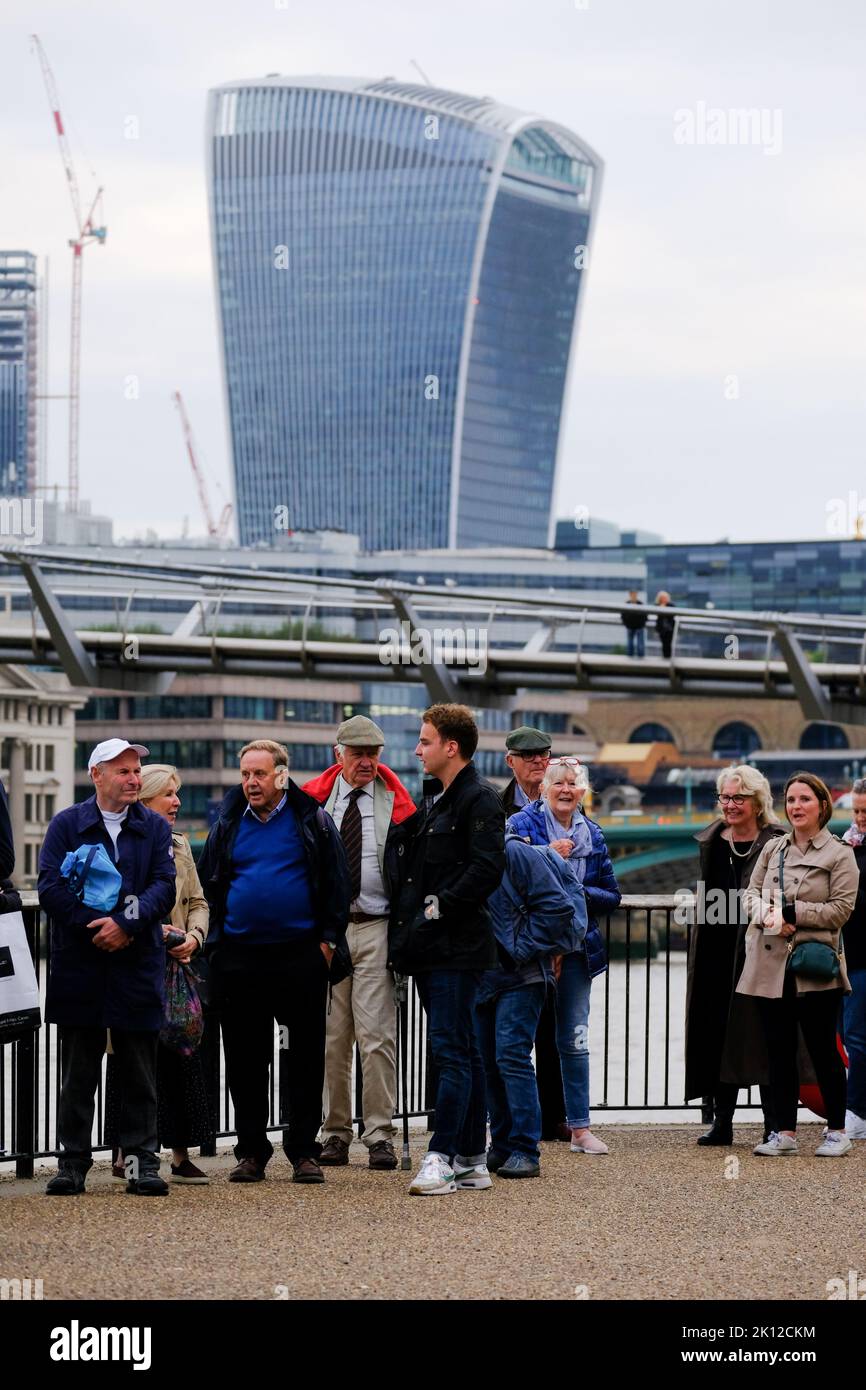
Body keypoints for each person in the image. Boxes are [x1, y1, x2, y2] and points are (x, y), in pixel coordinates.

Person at [198, 740, 350, 1184]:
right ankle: (251, 1152)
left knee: (304, 1058)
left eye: (259, 774)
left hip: (300, 957)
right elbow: (211, 884)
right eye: (245, 774)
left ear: (281, 776)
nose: (250, 783)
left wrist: (324, 945)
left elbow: (338, 887)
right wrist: (218, 947)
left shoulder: (313, 820)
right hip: (240, 959)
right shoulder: (228, 823)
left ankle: (304, 1151)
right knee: (245, 1059)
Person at [38, 738, 177, 1196]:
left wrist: (124, 924)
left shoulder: (154, 828)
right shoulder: (67, 825)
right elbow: (50, 887)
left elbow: (163, 887)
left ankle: (142, 1168)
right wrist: (94, 926)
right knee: (79, 1071)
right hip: (81, 962)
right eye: (124, 771)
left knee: (139, 1071)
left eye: (137, 770)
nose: (135, 778)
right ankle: (72, 1165)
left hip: (135, 962)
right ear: (97, 775)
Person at [388, 703, 505, 1196]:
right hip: (434, 947)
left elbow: (486, 869)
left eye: (425, 741)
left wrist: (436, 911)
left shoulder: (479, 800)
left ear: (450, 747)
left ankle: (441, 1157)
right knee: (468, 1053)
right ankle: (473, 1157)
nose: (417, 749)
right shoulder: (439, 799)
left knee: (451, 1054)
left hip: (456, 948)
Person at [303, 715, 415, 1171]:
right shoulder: (313, 801)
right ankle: (333, 1132)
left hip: (378, 926)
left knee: (377, 1038)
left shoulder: (398, 802)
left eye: (373, 754)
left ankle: (379, 1134)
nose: (367, 761)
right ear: (339, 754)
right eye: (358, 754)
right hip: (329, 932)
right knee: (332, 1039)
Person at [739, 771, 858, 1157]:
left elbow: (841, 910)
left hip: (813, 965)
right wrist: (770, 916)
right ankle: (784, 1132)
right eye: (790, 800)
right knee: (779, 1049)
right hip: (769, 964)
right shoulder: (773, 849)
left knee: (823, 1049)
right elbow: (750, 895)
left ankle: (837, 1130)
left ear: (822, 805)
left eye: (804, 799)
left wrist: (795, 911)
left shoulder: (839, 854)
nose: (796, 807)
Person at [508, 758, 619, 1154]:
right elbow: (506, 879)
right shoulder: (521, 826)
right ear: (544, 789)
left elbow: (612, 894)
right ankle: (507, 1128)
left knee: (574, 1039)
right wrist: (547, 857)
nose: (566, 790)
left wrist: (575, 895)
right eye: (559, 783)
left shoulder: (594, 835)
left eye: (573, 784)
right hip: (531, 951)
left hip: (576, 952)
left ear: (583, 792)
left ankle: (580, 1129)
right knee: (514, 1042)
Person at [107, 765, 213, 1183]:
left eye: (177, 794)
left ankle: (180, 1154)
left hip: (178, 966)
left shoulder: (181, 844)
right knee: (131, 1058)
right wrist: (152, 929)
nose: (177, 802)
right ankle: (126, 1155)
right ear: (146, 799)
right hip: (135, 964)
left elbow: (199, 899)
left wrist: (195, 937)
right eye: (168, 794)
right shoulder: (125, 841)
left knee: (179, 1055)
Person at [477, 833, 587, 1178]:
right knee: (489, 1061)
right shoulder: (468, 853)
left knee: (511, 1056)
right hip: (483, 974)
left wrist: (519, 951)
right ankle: (504, 1143)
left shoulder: (514, 852)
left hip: (522, 974)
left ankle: (526, 1148)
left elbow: (558, 907)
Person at [686, 765, 783, 1144]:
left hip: (761, 947)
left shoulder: (776, 840)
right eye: (724, 797)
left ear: (757, 803)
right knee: (719, 1031)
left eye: (737, 798)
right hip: (716, 949)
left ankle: (773, 1122)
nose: (729, 805)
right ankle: (721, 1122)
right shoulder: (712, 839)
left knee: (764, 1034)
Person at [840, 778, 866, 1138]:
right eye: (857, 811)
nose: (861, 819)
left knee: (856, 1037)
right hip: (846, 955)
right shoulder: (845, 846)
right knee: (847, 1035)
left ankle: (856, 1111)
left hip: (861, 958)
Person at [501, 726, 552, 817]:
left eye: (543, 753)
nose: (538, 760)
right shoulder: (495, 803)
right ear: (510, 761)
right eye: (528, 755)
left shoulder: (566, 801)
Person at [621, 590, 647, 658]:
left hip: (639, 626)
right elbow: (623, 615)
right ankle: (630, 657)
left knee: (640, 644)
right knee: (630, 643)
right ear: (630, 595)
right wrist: (626, 624)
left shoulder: (640, 604)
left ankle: (641, 657)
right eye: (632, 594)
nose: (634, 595)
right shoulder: (627, 604)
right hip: (630, 626)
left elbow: (645, 615)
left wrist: (642, 624)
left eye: (635, 594)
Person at [654, 591, 676, 659]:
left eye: (665, 597)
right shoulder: (657, 605)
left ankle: (669, 657)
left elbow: (672, 616)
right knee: (663, 643)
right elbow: (657, 616)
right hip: (661, 628)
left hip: (670, 628)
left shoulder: (671, 605)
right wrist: (661, 608)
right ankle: (665, 657)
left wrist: (665, 609)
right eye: (662, 598)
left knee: (669, 643)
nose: (664, 599)